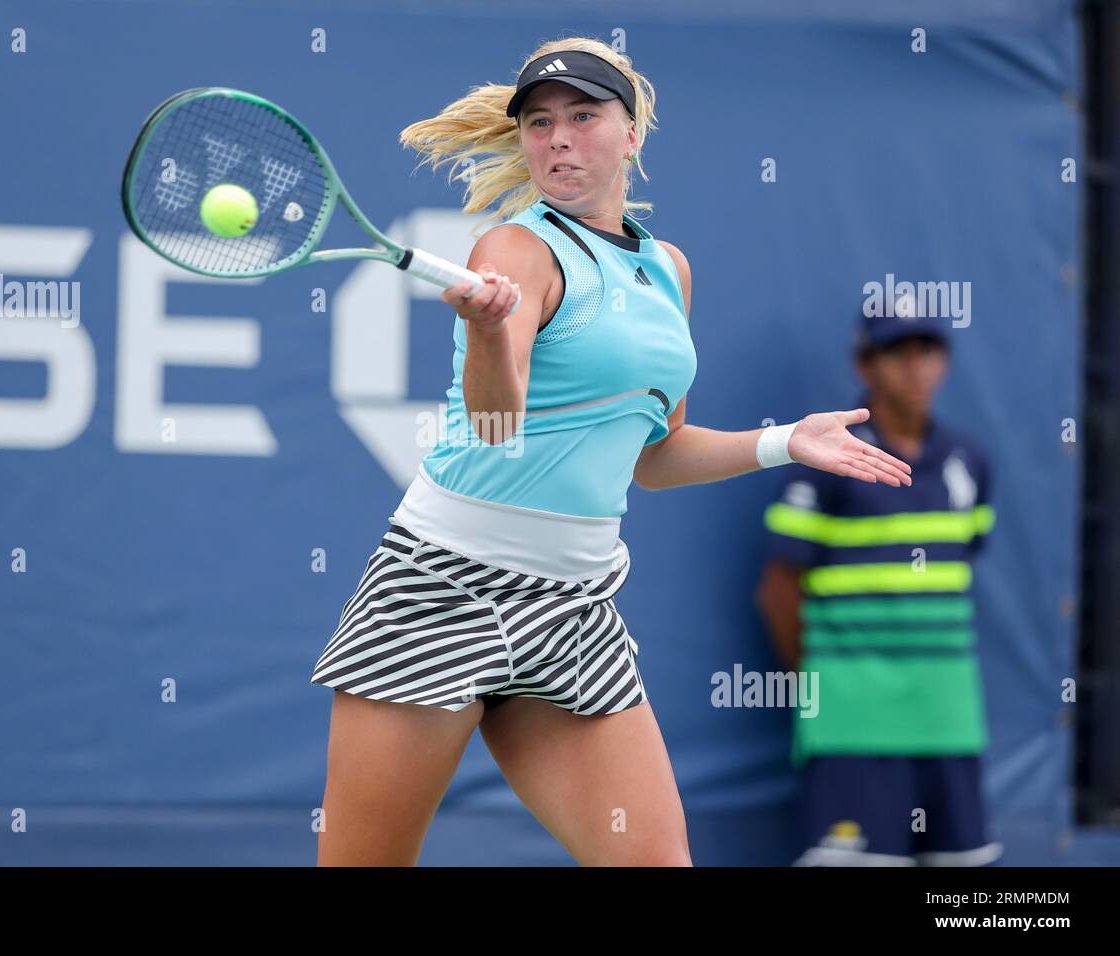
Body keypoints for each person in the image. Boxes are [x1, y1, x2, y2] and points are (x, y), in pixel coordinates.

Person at [310, 36, 911, 867]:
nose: (558, 138)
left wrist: (783, 442)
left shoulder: (668, 270)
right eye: (540, 122)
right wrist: (489, 333)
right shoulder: (514, 251)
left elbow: (654, 457)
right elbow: (494, 424)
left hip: (574, 607)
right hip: (442, 588)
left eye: (584, 117)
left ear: (632, 134)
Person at [755, 294, 1001, 866]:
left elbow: (959, 569)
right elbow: (777, 592)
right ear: (865, 365)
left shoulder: (971, 460)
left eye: (928, 350)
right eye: (897, 352)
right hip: (851, 728)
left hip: (950, 724)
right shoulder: (826, 461)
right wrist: (833, 690)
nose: (916, 367)